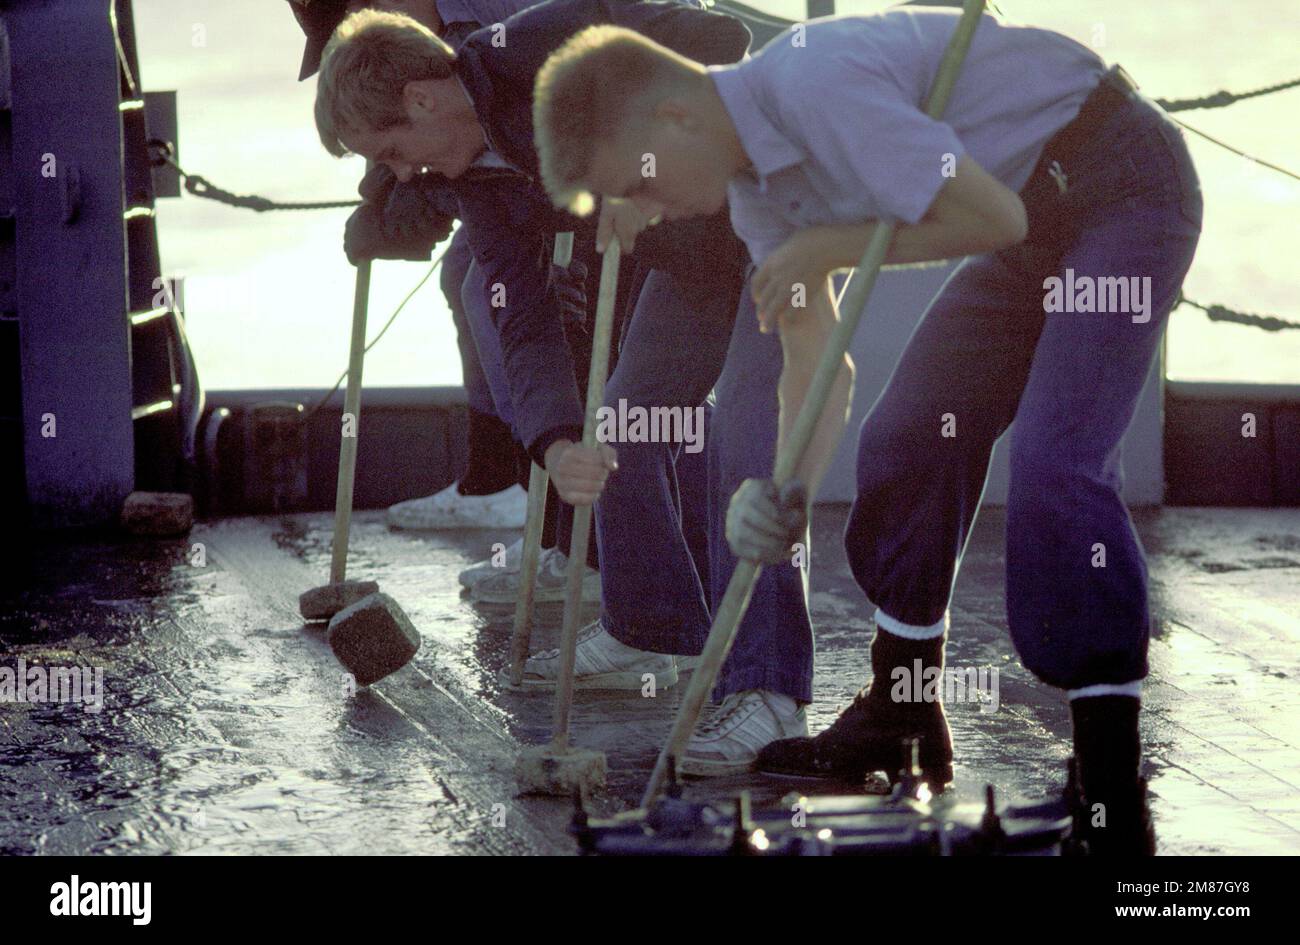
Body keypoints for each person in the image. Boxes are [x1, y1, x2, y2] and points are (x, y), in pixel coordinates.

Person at [532, 5, 1203, 853]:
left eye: (637, 183)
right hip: (1035, 212)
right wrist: (779, 497)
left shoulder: (815, 84)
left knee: (1056, 461)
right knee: (909, 438)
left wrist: (827, 247)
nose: (644, 210)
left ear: (673, 118)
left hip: (1121, 183)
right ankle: (905, 711)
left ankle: (1111, 787)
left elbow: (993, 218)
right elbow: (817, 372)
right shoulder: (756, 198)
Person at [312, 1, 817, 774]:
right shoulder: (480, 183)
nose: (400, 172)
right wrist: (553, 440)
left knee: (751, 428)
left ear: (420, 100)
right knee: (616, 423)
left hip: (775, 209)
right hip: (693, 252)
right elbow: (525, 323)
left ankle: (773, 695)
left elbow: (721, 36)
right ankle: (653, 629)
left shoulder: (537, 43)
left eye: (392, 150)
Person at [288, 0, 602, 603]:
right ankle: (509, 479)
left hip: (600, 180)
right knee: (483, 286)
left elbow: (469, 101)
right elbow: (433, 129)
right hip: (504, 170)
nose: (359, 29)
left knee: (510, 299)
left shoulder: (499, 25)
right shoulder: (417, 66)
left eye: (356, 14)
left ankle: (565, 525)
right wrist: (384, 205)